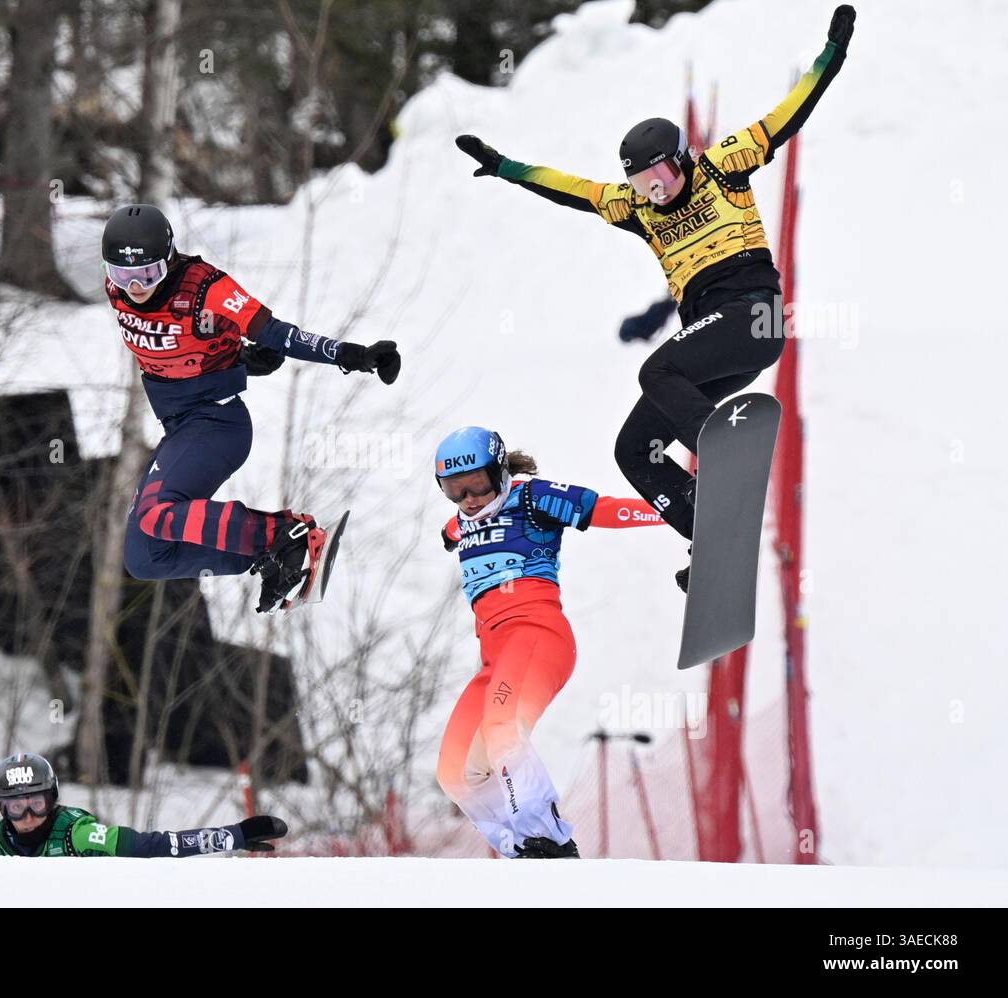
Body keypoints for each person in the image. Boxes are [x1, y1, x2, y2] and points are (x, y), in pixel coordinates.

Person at [454, 6, 855, 589]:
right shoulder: (639, 210)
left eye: (663, 179)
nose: (656, 193)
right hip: (715, 337)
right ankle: (709, 533)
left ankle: (720, 449)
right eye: (644, 185)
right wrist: (507, 167)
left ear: (683, 161)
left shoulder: (723, 168)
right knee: (634, 448)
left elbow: (786, 115)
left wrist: (831, 54)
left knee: (656, 369)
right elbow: (577, 190)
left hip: (753, 314)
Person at [102, 204, 401, 612]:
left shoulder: (209, 289)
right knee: (144, 556)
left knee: (156, 514)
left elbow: (278, 334)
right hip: (179, 424)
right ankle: (272, 557)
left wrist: (352, 354)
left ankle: (288, 535)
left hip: (216, 424)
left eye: (148, 274)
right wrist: (236, 358)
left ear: (169, 259)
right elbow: (179, 347)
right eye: (123, 276)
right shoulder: (116, 290)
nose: (135, 288)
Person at [433, 427, 665, 857]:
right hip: (495, 657)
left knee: (503, 729)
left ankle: (549, 838)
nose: (469, 499)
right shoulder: (459, 522)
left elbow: (604, 510)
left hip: (537, 635)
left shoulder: (533, 498)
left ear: (499, 472)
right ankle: (520, 847)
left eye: (478, 484)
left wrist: (674, 513)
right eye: (454, 489)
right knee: (455, 769)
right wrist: (449, 532)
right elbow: (450, 530)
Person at [0, 752, 287, 857]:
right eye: (17, 808)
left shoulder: (76, 834)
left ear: (54, 800)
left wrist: (234, 835)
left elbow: (153, 846)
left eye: (37, 804)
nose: (29, 817)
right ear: (1, 808)